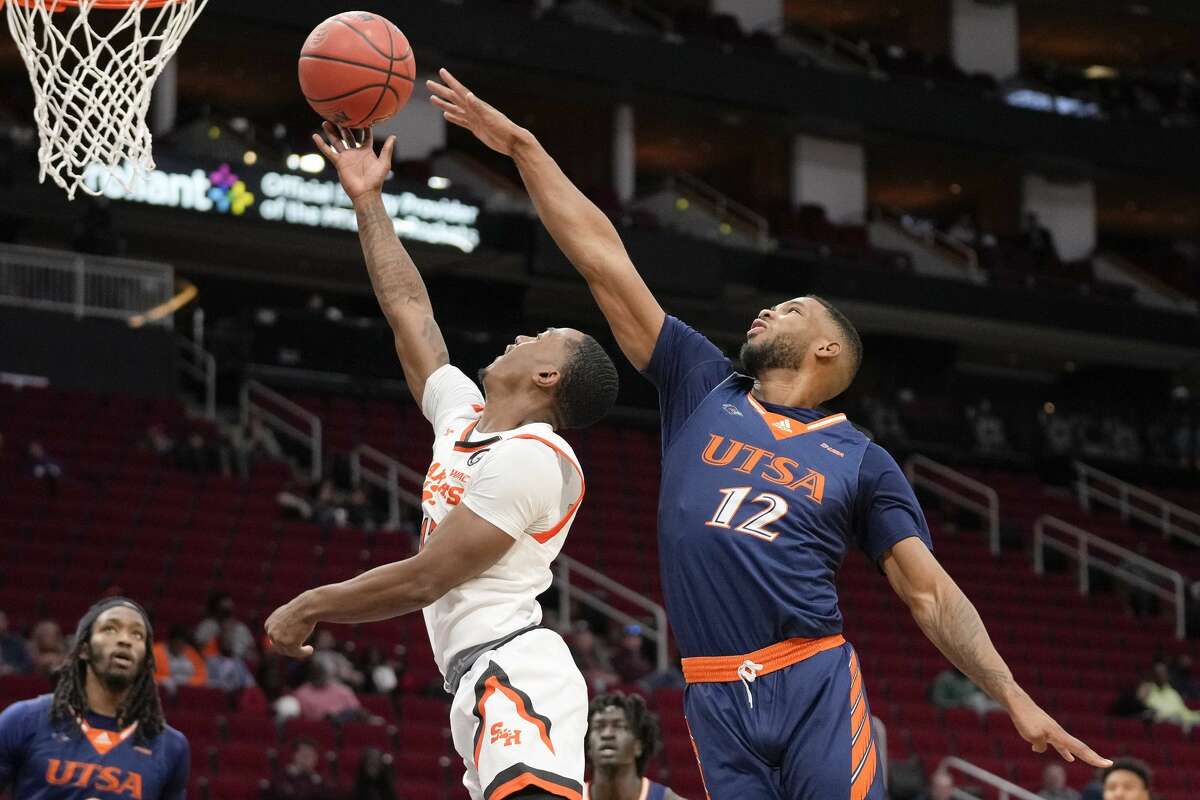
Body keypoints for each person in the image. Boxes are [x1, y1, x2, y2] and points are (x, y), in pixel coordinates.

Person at [427, 67, 1111, 799]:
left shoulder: (864, 461)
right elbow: (604, 260)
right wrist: (524, 148)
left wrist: (1011, 694)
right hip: (714, 693)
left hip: (810, 678)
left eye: (791, 310)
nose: (768, 312)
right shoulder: (702, 384)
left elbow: (931, 596)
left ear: (827, 350)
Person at [266, 119, 619, 800]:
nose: (523, 334)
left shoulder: (536, 458)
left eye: (542, 336)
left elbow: (426, 579)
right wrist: (368, 200)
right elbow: (409, 312)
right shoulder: (464, 418)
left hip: (516, 668)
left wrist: (312, 604)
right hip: (475, 673)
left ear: (548, 377)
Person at [0, 597, 190, 798]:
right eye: (110, 629)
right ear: (84, 649)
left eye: (137, 634)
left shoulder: (170, 747)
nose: (125, 640)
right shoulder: (24, 719)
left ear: (145, 660)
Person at [584, 692, 684, 800]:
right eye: (599, 726)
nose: (607, 734)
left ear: (638, 745)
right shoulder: (573, 796)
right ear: (588, 746)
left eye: (619, 726)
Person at [291, 660, 366, 723]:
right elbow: (302, 717)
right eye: (315, 673)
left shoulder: (342, 689)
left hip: (345, 723)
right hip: (319, 726)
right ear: (310, 675)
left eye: (321, 672)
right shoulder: (301, 693)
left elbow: (357, 710)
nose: (318, 675)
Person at [1136, 661, 1200, 732]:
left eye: (1163, 672)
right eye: (1158, 672)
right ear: (1154, 674)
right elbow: (1140, 701)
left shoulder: (1172, 690)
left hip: (1183, 717)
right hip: (1165, 719)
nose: (1161, 675)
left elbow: (1184, 711)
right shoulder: (1147, 688)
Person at [194, 591, 255, 660]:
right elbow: (198, 650)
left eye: (229, 611)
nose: (227, 615)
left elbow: (252, 653)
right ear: (216, 610)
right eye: (224, 611)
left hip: (237, 663)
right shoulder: (207, 626)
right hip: (212, 663)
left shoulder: (241, 628)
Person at [268, 737, 332, 800]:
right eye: (303, 754)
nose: (307, 758)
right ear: (294, 755)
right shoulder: (281, 777)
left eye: (311, 754)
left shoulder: (321, 781)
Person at [152, 624, 207, 690]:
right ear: (170, 641)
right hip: (162, 690)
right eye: (177, 643)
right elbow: (147, 675)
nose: (179, 646)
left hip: (188, 690)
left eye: (182, 644)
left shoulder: (191, 652)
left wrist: (187, 682)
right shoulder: (156, 651)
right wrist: (162, 680)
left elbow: (202, 677)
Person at [931, 667, 1003, 717]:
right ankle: (983, 725)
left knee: (1002, 705)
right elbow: (938, 699)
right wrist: (957, 704)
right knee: (976, 700)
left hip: (975, 704)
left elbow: (982, 693)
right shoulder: (945, 679)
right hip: (958, 706)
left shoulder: (971, 677)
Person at [0, 611, 32, 676]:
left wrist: (12, 669)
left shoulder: (16, 642)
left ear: (6, 623)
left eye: (1, 620)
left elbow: (28, 665)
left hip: (10, 678)